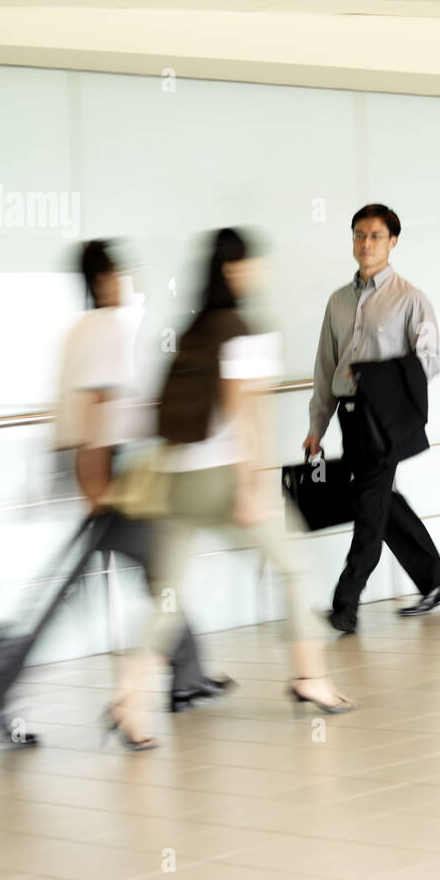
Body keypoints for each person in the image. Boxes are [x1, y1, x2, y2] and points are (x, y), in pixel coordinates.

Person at [108, 229, 353, 751]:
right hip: (224, 477)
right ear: (235, 270)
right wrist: (254, 485)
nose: (259, 271)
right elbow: (248, 416)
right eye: (254, 263)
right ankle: (310, 677)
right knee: (290, 565)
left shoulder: (192, 331)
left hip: (177, 480)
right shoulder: (246, 331)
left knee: (169, 595)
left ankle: (130, 699)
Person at [53, 239, 231, 715]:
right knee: (157, 573)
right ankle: (177, 680)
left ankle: (188, 675)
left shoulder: (81, 328)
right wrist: (97, 488)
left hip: (95, 467)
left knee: (155, 576)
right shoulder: (106, 328)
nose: (127, 279)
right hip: (106, 471)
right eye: (120, 272)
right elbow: (97, 408)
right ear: (102, 280)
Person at [304, 203, 440, 635]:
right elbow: (325, 368)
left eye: (375, 236)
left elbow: (430, 360)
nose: (365, 244)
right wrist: (317, 427)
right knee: (380, 502)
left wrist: (374, 375)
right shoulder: (337, 301)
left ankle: (345, 604)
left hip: (386, 418)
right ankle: (436, 581)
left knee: (370, 508)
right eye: (358, 235)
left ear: (393, 242)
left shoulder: (410, 298)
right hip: (351, 418)